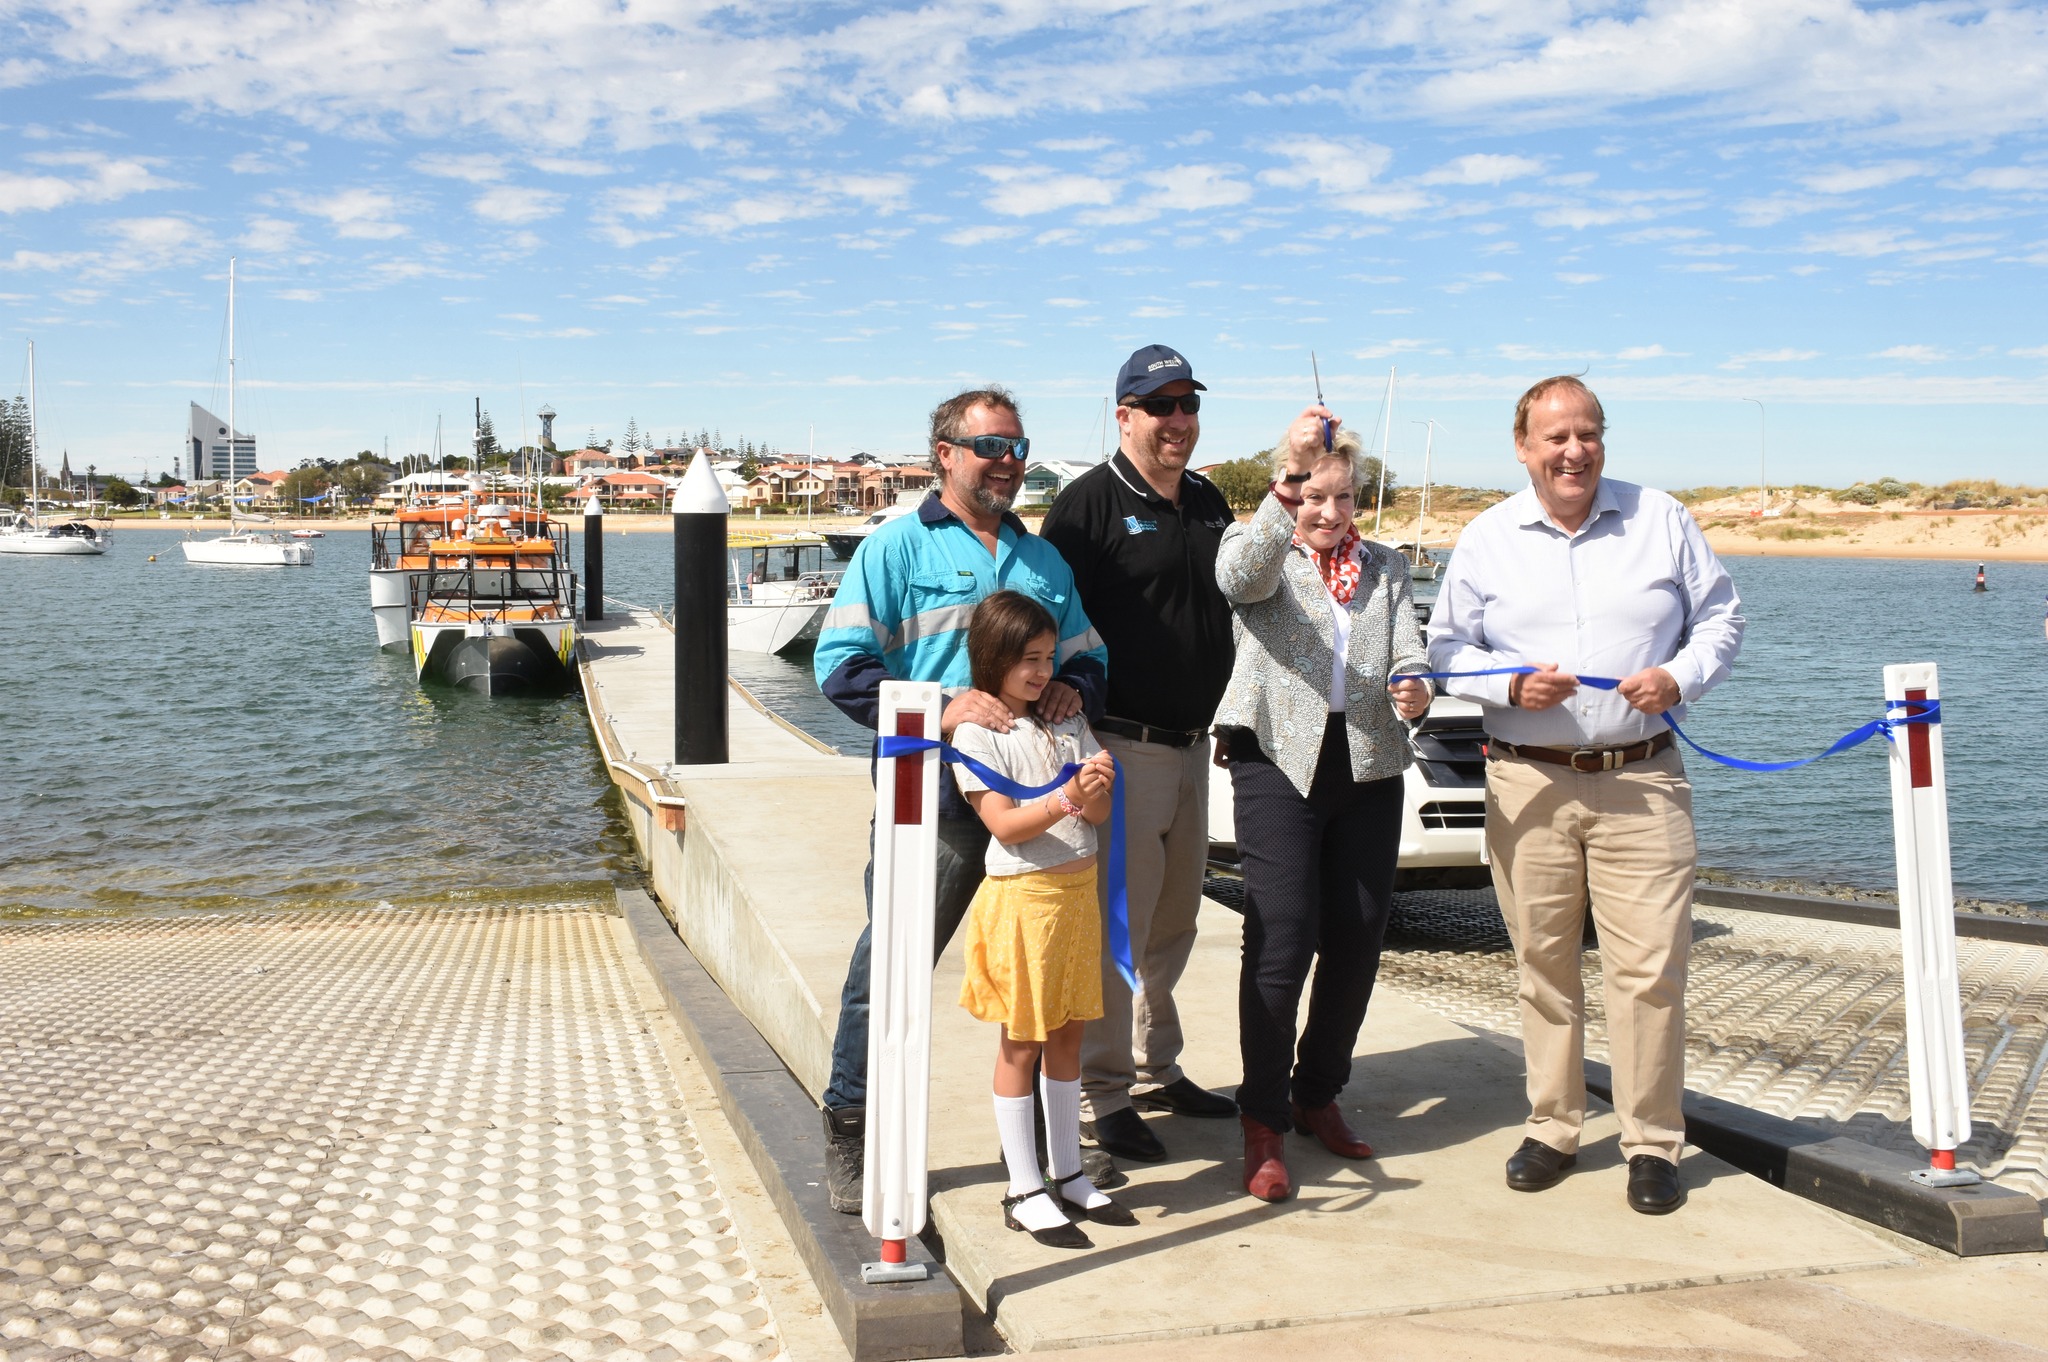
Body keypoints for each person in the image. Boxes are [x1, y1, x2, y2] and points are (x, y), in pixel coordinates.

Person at [1426, 375, 1744, 1215]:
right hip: (1527, 780)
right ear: (1524, 448)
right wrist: (1505, 684)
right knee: (1543, 964)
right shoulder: (1488, 538)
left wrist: (1678, 677)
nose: (1574, 451)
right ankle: (1554, 1127)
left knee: (1649, 974)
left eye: (1588, 434)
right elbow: (1446, 651)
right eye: (1555, 438)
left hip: (1644, 778)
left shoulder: (1662, 519)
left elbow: (1722, 620)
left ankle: (1651, 1143)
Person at [812, 387, 1109, 1214]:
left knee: (1046, 981)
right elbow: (839, 669)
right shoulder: (894, 549)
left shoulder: (1043, 561)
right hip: (932, 807)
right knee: (891, 967)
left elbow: (1090, 656)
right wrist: (939, 707)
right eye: (992, 447)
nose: (1009, 462)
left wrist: (1070, 691)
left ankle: (1052, 1153)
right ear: (946, 452)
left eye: (1018, 446)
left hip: (1041, 809)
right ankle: (851, 1121)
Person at [1212, 410, 1432, 1202]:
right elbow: (1240, 584)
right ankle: (1262, 1120)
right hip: (1276, 760)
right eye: (1313, 494)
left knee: (1359, 934)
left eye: (1343, 497)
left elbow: (1409, 648)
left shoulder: (1388, 568)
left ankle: (1317, 1095)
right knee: (1282, 938)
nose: (1329, 512)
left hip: (1369, 762)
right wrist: (1287, 482)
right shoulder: (1257, 545)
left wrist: (1417, 687)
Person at [1039, 344, 1239, 1165]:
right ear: (1124, 416)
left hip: (1196, 745)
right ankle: (1104, 1092)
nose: (1178, 422)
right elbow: (1042, 621)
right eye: (1160, 407)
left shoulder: (1208, 500)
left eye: (1188, 404)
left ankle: (1159, 1068)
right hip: (1119, 743)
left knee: (1174, 922)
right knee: (1119, 926)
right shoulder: (1087, 504)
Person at [950, 591, 1136, 1248]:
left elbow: (1101, 817)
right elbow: (1002, 822)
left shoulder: (1067, 720)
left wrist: (1098, 786)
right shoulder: (975, 733)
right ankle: (1023, 1184)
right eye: (1026, 659)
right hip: (1023, 904)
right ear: (992, 657)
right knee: (1021, 1040)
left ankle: (1069, 1172)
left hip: (1076, 899)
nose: (1040, 671)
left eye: (1047, 657)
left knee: (1068, 1036)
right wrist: (1067, 796)